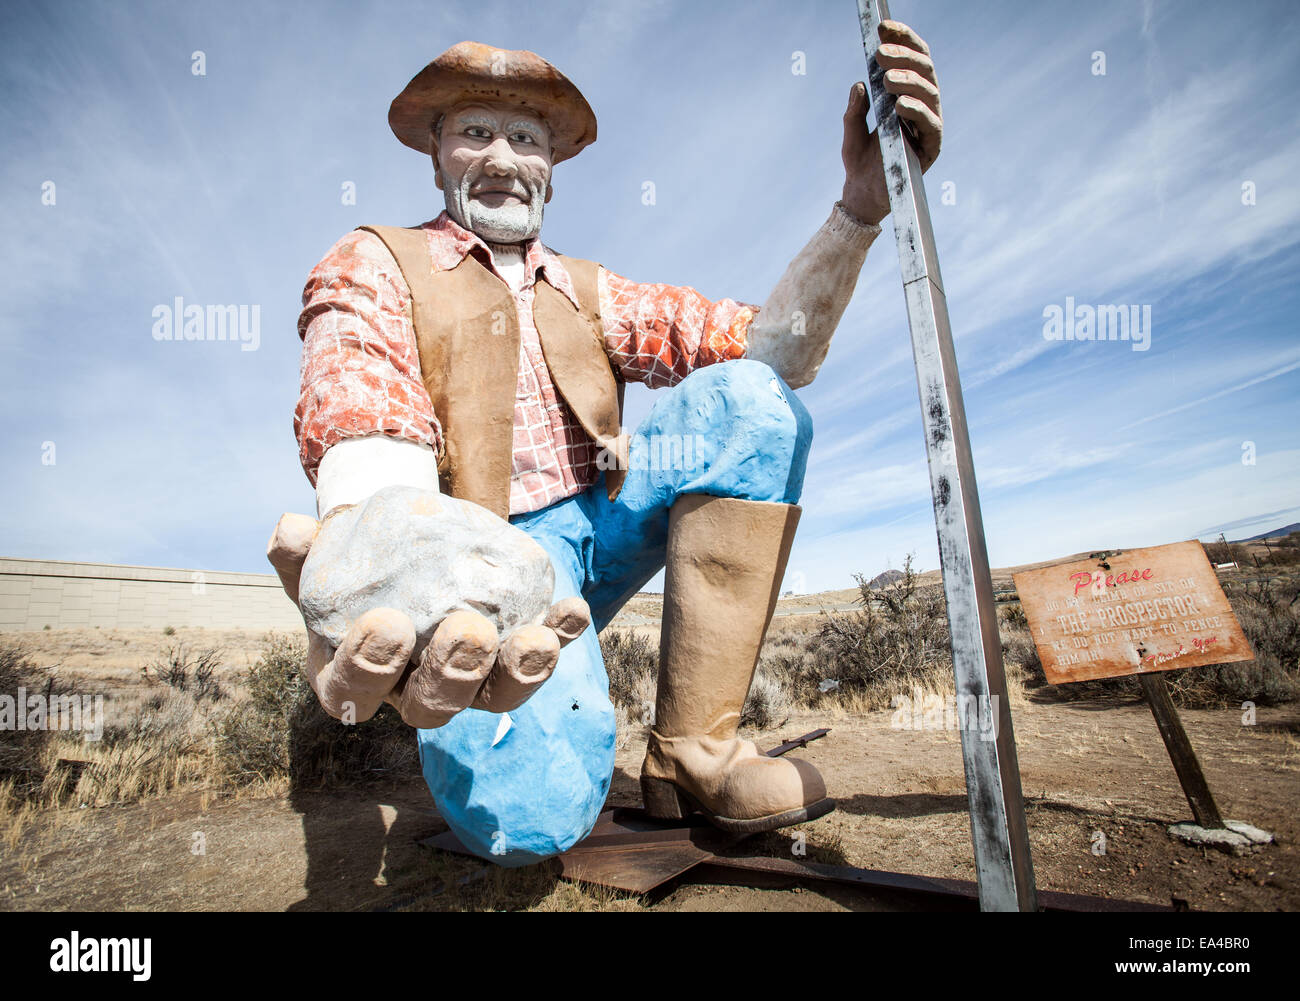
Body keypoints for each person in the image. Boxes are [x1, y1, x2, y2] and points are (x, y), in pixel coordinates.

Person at [268, 26, 943, 864]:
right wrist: (392, 555)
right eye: (475, 131)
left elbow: (782, 352)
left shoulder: (591, 289)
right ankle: (534, 739)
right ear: (436, 152)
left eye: (526, 138)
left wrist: (860, 209)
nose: (504, 156)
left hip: (602, 518)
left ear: (551, 163)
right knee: (532, 824)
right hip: (492, 566)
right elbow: (366, 405)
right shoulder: (378, 262)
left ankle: (694, 753)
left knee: (754, 402)